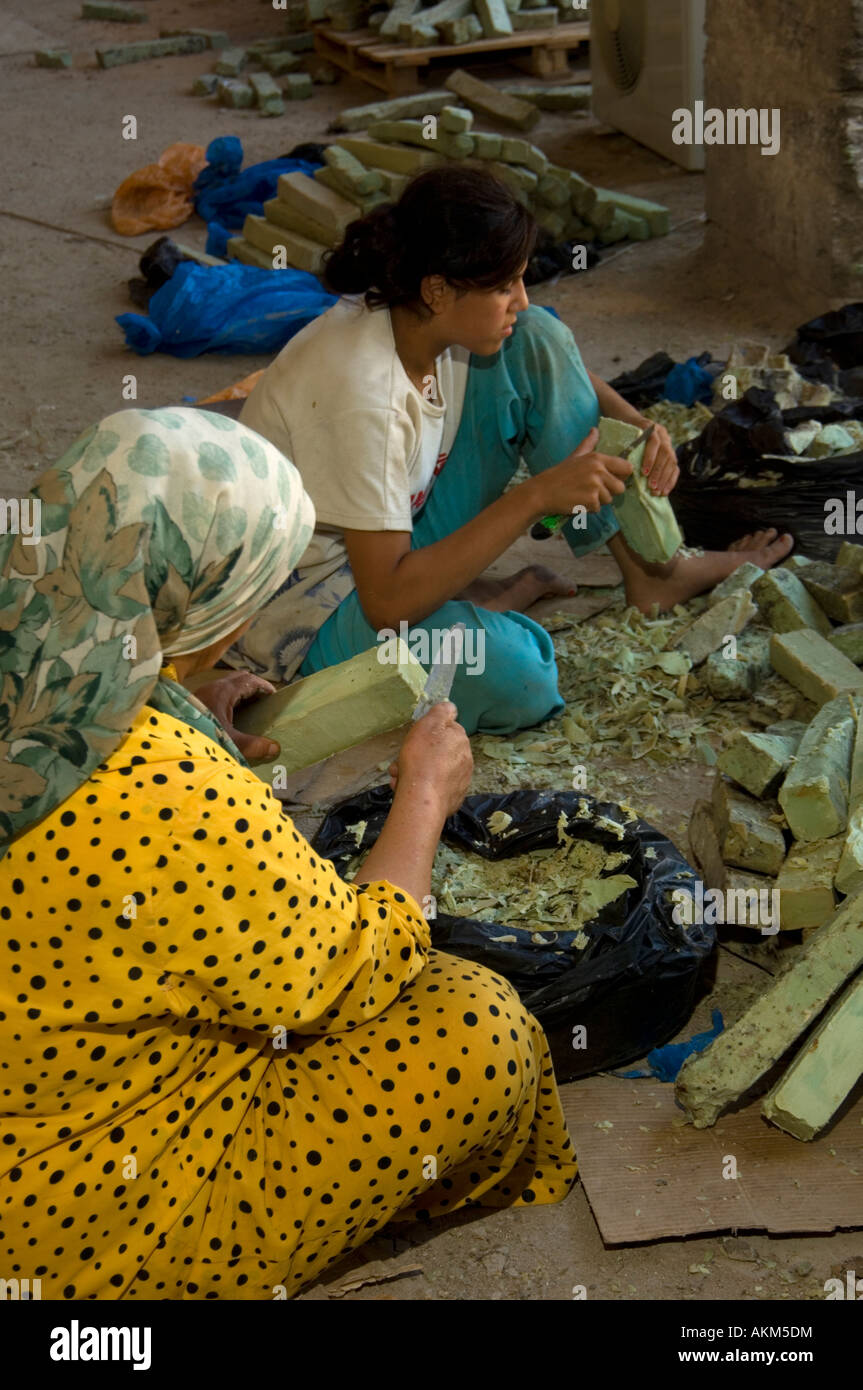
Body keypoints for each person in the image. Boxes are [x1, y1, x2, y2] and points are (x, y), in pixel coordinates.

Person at [0, 407, 577, 1300]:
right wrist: (424, 798)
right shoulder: (176, 794)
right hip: (63, 1221)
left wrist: (182, 697)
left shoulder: (35, 650)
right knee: (475, 1024)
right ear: (205, 604)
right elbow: (356, 969)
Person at [231, 164, 793, 736]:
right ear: (437, 288)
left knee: (540, 339)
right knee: (516, 675)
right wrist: (535, 499)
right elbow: (384, 605)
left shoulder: (420, 318)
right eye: (504, 287)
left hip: (387, 536)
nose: (520, 300)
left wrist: (636, 422)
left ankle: (655, 572)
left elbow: (550, 356)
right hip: (315, 598)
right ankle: (475, 607)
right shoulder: (362, 396)